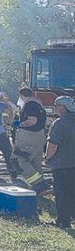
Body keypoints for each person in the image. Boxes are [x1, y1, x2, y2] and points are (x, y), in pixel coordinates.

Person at [45, 96, 75, 229]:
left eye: (56, 105)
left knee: (62, 193)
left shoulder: (60, 123)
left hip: (62, 165)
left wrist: (47, 158)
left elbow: (52, 145)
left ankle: (63, 221)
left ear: (63, 107)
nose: (54, 108)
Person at [13, 87, 49, 193]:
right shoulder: (39, 105)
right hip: (40, 136)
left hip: (29, 136)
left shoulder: (30, 105)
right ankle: (39, 189)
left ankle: (39, 183)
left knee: (18, 160)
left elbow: (32, 121)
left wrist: (18, 124)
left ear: (21, 96)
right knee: (35, 162)